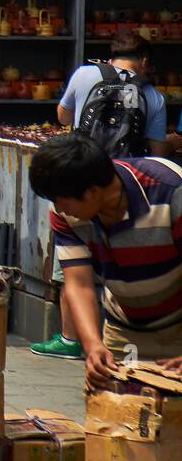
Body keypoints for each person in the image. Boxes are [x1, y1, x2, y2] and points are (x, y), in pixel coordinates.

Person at [29, 135, 182, 385]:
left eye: (62, 200)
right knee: (117, 414)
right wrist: (93, 346)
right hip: (123, 328)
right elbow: (78, 283)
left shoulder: (171, 190)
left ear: (92, 192)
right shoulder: (66, 214)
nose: (59, 208)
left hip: (177, 327)